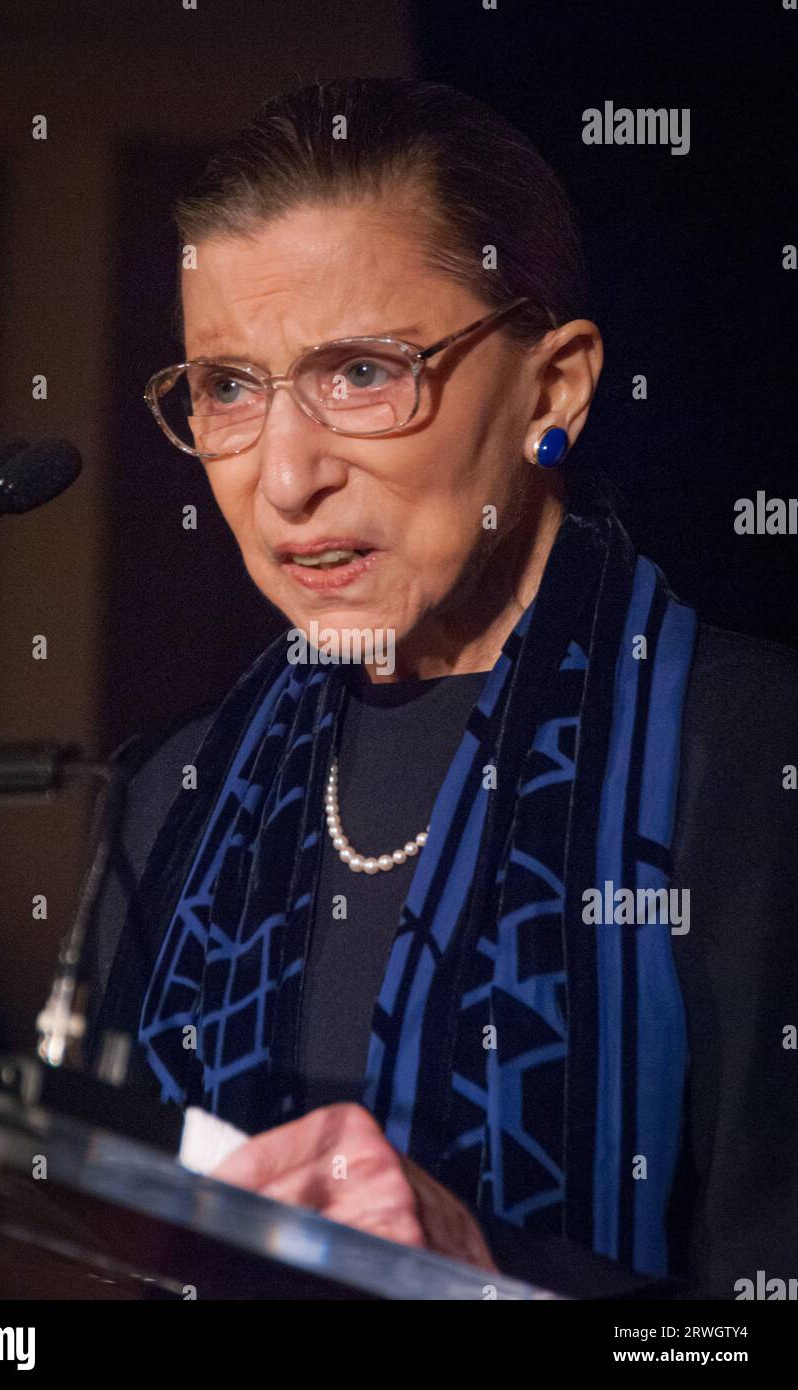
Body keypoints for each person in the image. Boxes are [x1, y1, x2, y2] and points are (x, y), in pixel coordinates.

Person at [85, 77, 798, 1299]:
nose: (285, 475)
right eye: (228, 388)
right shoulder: (166, 797)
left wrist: (487, 1275)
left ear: (554, 388)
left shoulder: (745, 756)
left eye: (360, 372)